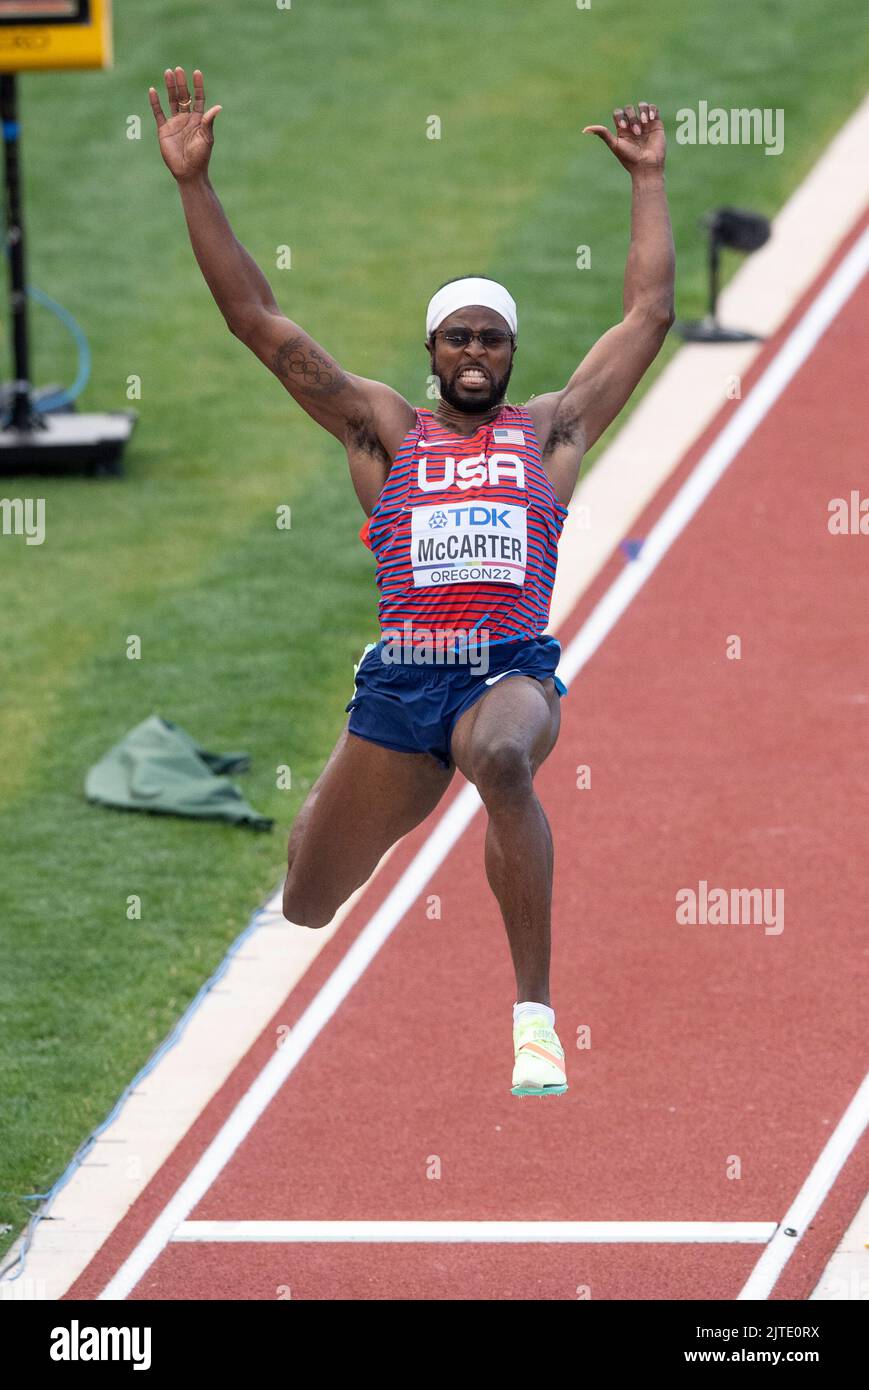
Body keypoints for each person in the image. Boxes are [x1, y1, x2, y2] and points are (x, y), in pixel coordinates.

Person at [150, 66, 675, 1098]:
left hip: (506, 671)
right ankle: (357, 796)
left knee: (502, 758)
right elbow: (258, 321)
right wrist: (192, 185)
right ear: (431, 349)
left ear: (512, 352)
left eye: (491, 337)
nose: (475, 351)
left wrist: (646, 181)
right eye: (457, 337)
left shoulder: (550, 431)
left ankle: (533, 1018)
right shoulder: (381, 430)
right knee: (305, 898)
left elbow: (647, 313)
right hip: (400, 683)